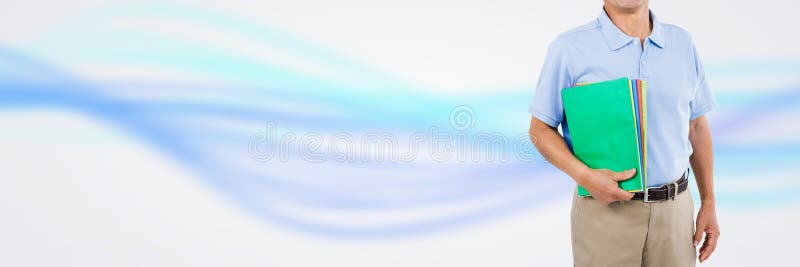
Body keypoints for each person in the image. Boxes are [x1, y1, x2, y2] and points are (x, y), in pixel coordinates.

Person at [527, 0, 720, 266]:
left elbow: (696, 125)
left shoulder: (682, 43)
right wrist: (585, 176)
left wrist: (709, 200)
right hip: (605, 214)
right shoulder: (569, 48)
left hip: (676, 215)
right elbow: (540, 129)